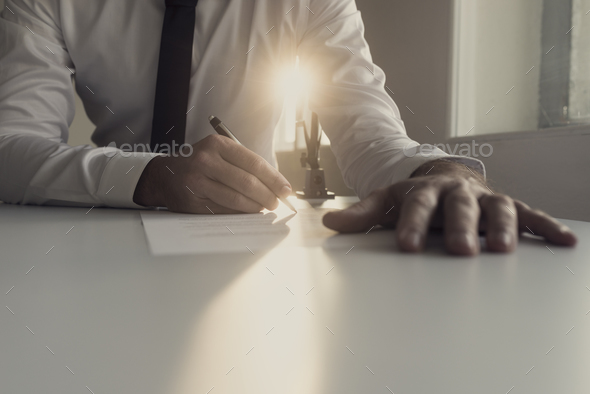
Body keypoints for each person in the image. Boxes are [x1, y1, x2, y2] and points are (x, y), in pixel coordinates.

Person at [0, 0, 576, 255]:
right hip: (85, 244)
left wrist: (442, 172)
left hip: (247, 244)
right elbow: (9, 146)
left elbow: (372, 135)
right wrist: (145, 175)